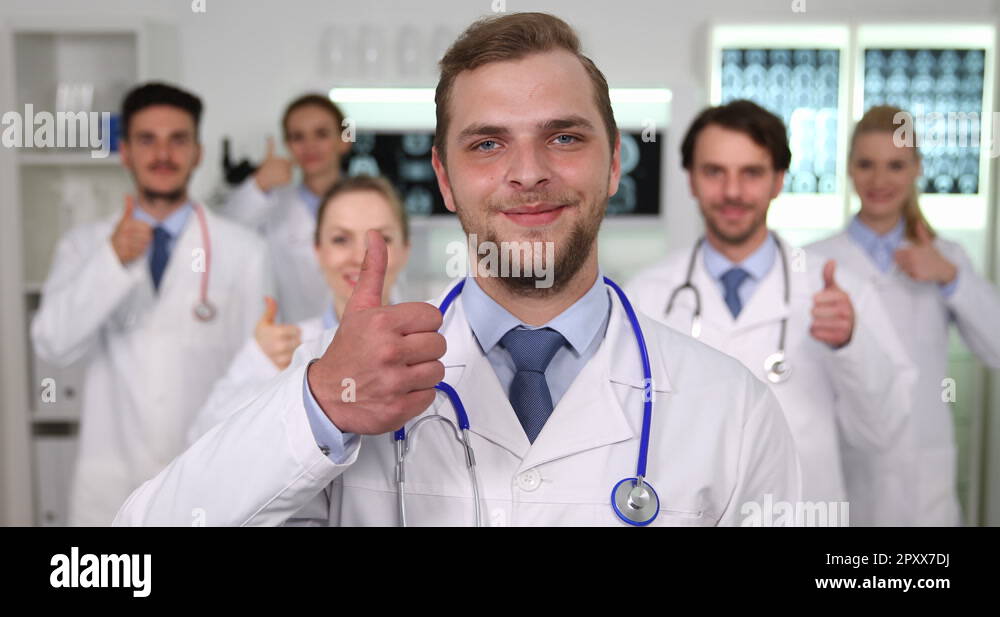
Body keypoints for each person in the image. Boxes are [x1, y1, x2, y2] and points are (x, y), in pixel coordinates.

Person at [115, 13, 799, 527]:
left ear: (614, 161)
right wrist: (321, 403)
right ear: (443, 177)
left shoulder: (731, 411)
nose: (528, 172)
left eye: (564, 137)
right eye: (487, 143)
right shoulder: (338, 390)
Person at [625, 100, 917, 522]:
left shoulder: (839, 292)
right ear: (690, 179)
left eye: (752, 173)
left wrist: (852, 344)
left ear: (779, 180)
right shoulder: (646, 295)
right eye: (714, 172)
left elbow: (883, 433)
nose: (732, 192)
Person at [31, 82, 270, 525]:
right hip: (110, 486)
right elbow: (52, 343)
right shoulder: (84, 247)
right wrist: (111, 263)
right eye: (147, 140)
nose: (163, 154)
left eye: (178, 140)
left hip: (207, 481)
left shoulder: (243, 251)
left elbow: (257, 376)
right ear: (124, 152)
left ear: (197, 152)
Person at [808, 105, 1000, 526]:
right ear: (849, 170)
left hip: (924, 471)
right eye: (866, 164)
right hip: (843, 464)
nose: (879, 180)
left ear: (917, 169)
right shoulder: (815, 261)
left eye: (895, 165)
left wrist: (951, 279)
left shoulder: (946, 257)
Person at [187, 175, 411, 442]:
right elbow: (202, 439)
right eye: (340, 239)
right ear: (318, 251)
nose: (361, 257)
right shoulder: (283, 348)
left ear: (405, 249)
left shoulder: (439, 343)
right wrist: (261, 363)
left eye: (380, 239)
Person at [221, 94, 352, 324]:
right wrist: (258, 185)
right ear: (288, 145)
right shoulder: (274, 205)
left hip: (364, 339)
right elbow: (223, 235)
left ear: (344, 140)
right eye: (297, 137)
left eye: (321, 134)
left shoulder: (370, 203)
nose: (309, 146)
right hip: (297, 346)